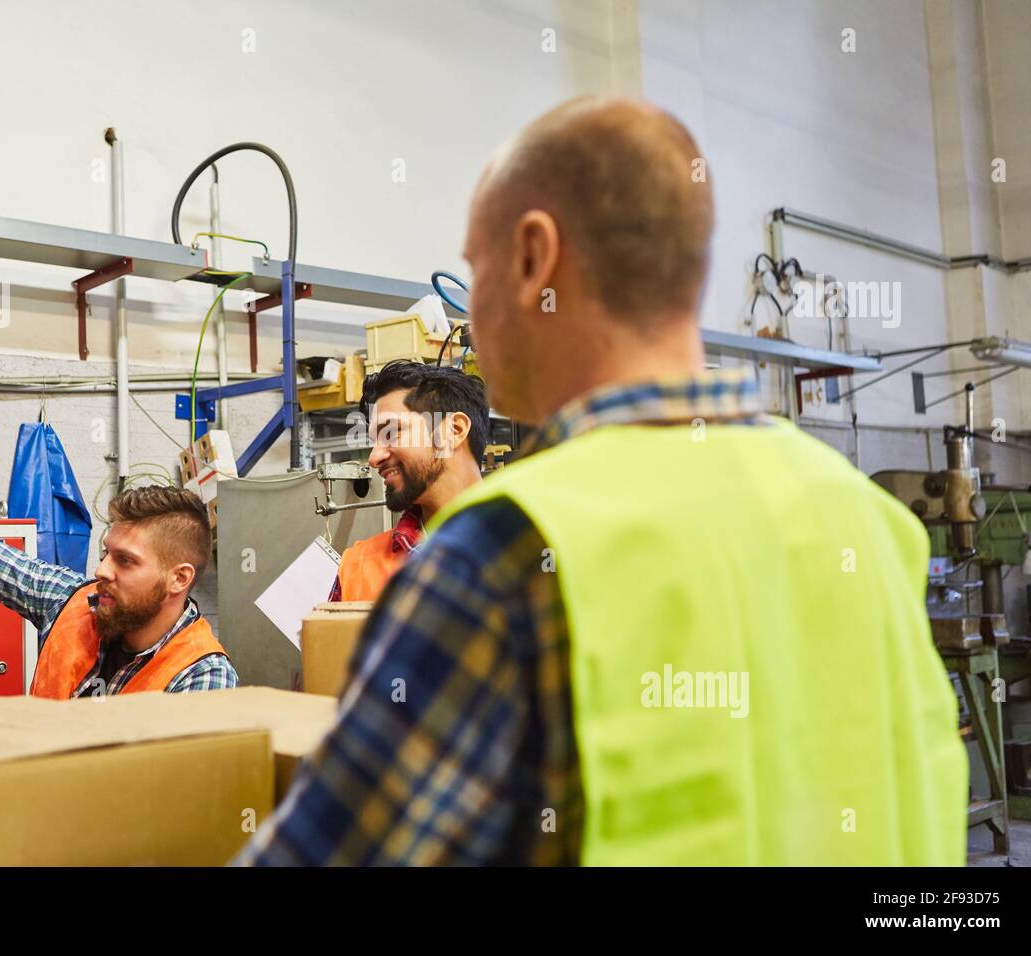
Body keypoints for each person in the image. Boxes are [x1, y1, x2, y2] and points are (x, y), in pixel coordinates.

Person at [234, 96, 967, 865]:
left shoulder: (507, 548)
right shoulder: (868, 519)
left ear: (534, 257)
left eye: (477, 272)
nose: (471, 316)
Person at [0, 424, 236, 699]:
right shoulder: (75, 601)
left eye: (126, 561)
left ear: (179, 578)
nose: (101, 570)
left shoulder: (203, 678)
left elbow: (143, 797)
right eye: (106, 553)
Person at [329, 360, 488, 602]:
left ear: (453, 431)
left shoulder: (533, 549)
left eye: (391, 433)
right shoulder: (357, 568)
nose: (374, 457)